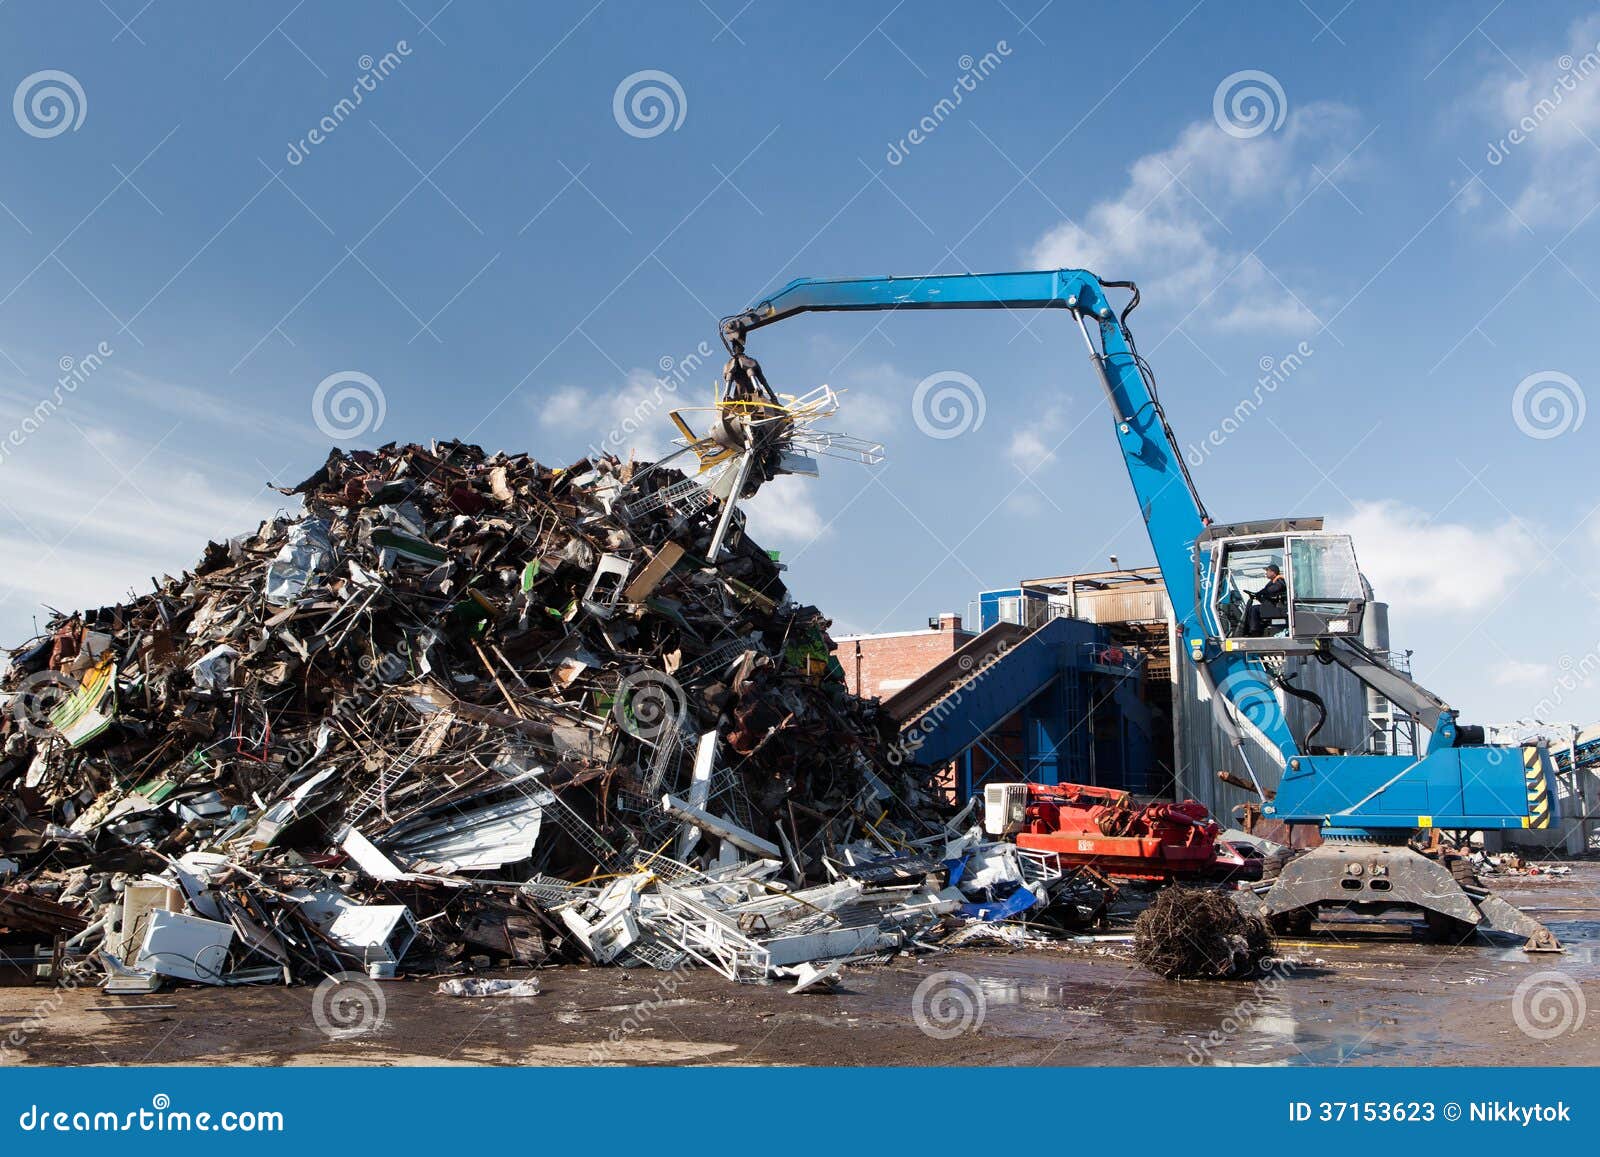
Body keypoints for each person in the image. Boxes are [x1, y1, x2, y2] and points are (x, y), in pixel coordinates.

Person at [1244, 563, 1287, 636]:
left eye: (1268, 571)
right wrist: (1257, 594)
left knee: (1254, 609)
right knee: (1253, 608)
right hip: (1271, 606)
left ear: (1273, 572)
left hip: (1276, 608)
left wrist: (1262, 593)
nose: (1266, 573)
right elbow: (1264, 591)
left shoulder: (1279, 581)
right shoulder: (1272, 582)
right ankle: (1250, 630)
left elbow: (1271, 590)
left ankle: (1255, 631)